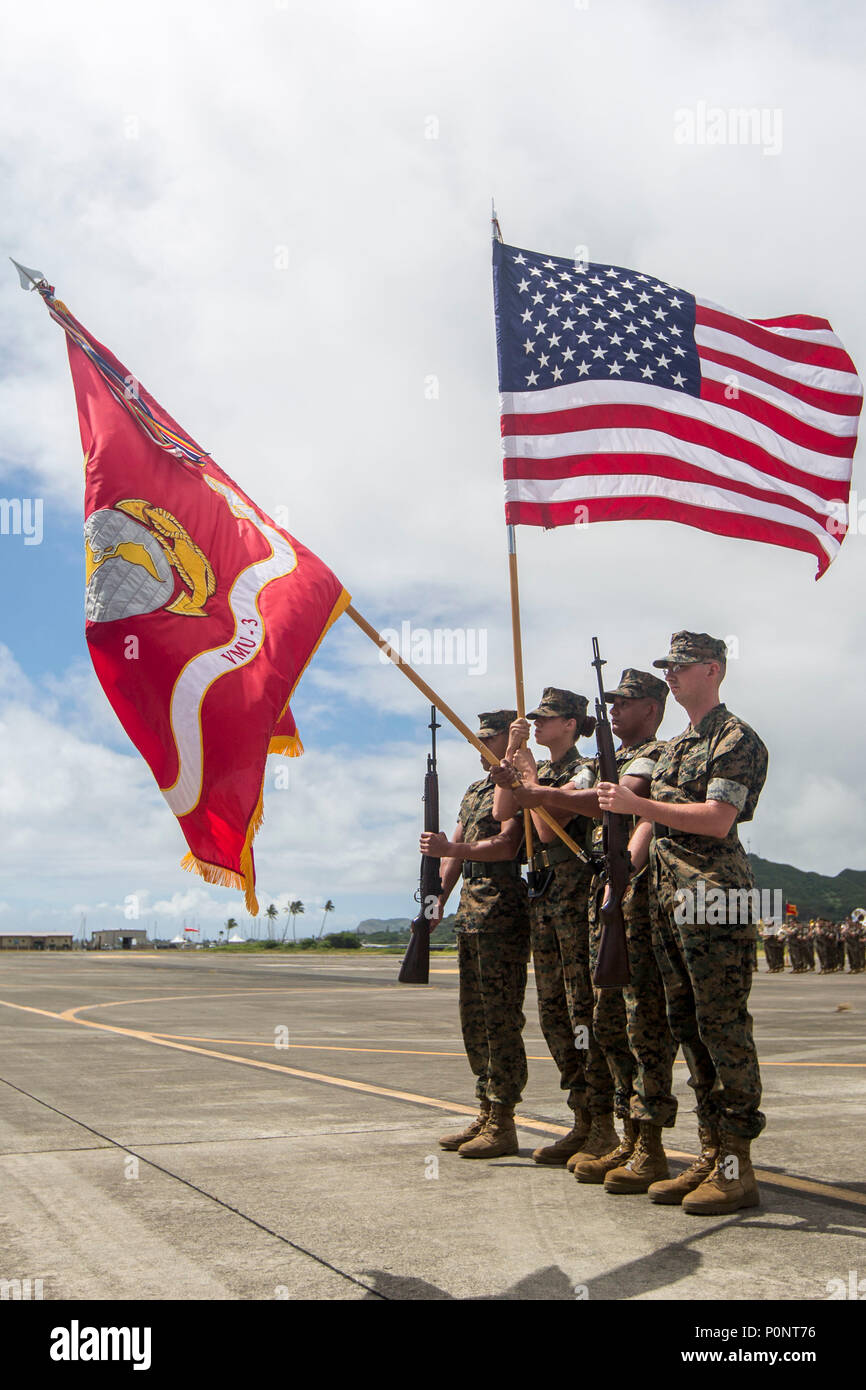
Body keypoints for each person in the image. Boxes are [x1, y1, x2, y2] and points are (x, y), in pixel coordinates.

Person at [597, 631, 769, 1215]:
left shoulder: (735, 737)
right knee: (688, 1025)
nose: (669, 674)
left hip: (714, 897)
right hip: (668, 899)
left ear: (713, 670)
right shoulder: (674, 748)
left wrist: (637, 807)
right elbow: (649, 827)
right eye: (667, 666)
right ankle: (710, 1152)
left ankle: (736, 1165)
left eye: (680, 665)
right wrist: (622, 876)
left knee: (722, 1026)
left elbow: (717, 820)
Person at [491, 689, 615, 1165]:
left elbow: (544, 829)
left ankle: (602, 1124)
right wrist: (510, 757)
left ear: (571, 724)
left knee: (582, 1010)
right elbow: (505, 812)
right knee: (553, 1012)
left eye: (546, 719)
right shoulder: (539, 769)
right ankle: (582, 1120)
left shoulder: (582, 771)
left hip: (573, 898)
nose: (537, 726)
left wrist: (528, 773)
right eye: (534, 720)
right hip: (544, 899)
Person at [420, 710, 530, 1159]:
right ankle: (485, 1108)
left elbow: (508, 845)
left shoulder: (516, 786)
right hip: (470, 915)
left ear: (511, 741)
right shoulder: (474, 790)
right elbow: (455, 856)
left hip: (503, 912)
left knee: (501, 1018)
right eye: (478, 739)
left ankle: (503, 1120)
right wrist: (437, 899)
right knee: (475, 1018)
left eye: (491, 738)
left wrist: (453, 849)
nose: (481, 746)